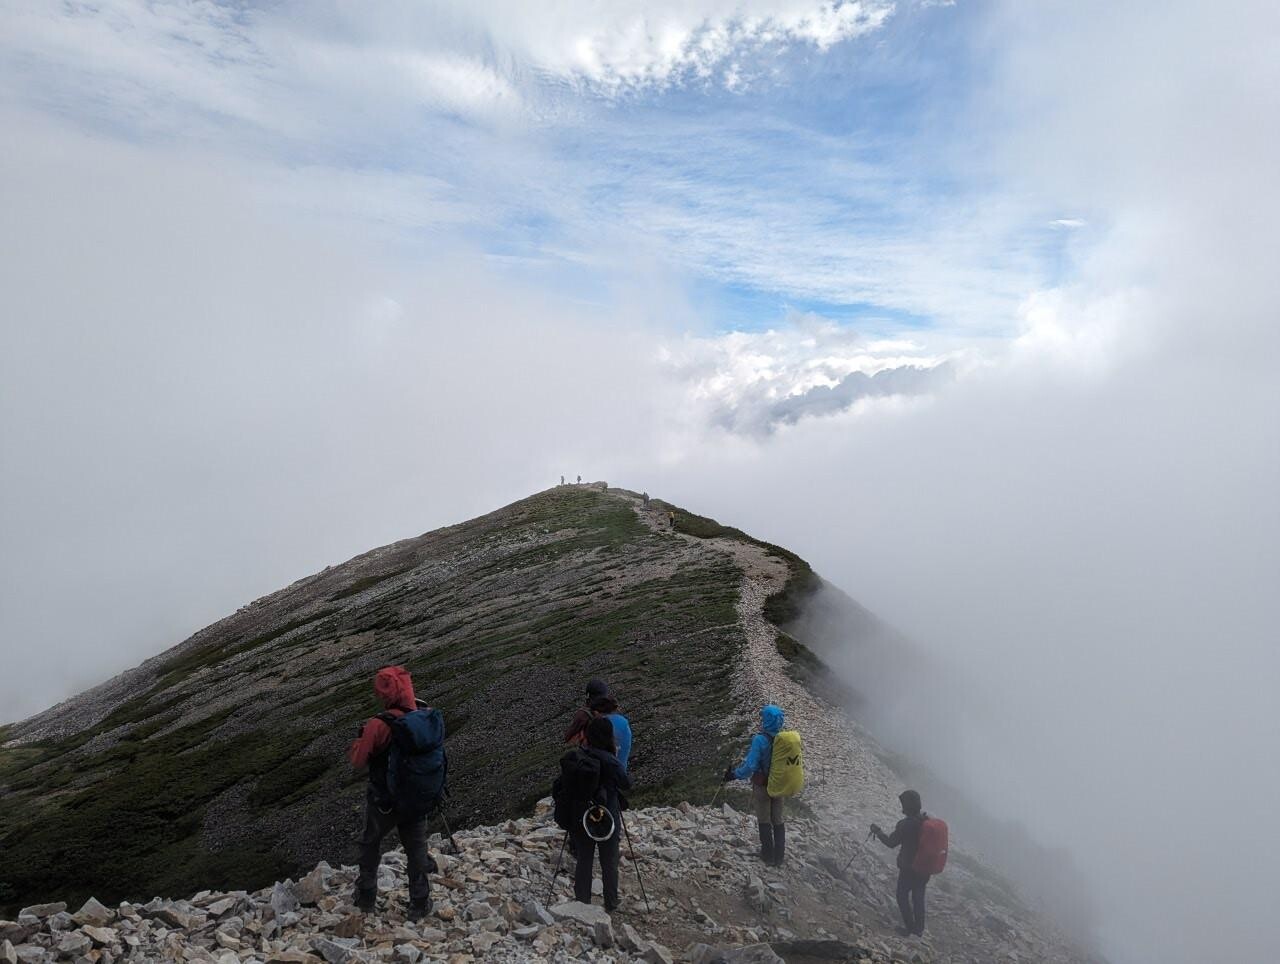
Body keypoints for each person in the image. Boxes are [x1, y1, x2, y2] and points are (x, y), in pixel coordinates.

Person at [347, 666, 435, 919]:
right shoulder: (425, 716)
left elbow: (358, 760)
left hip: (384, 801)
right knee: (416, 848)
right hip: (417, 798)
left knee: (370, 843)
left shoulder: (378, 724)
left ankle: (366, 897)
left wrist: (360, 740)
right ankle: (419, 902)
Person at [573, 717, 632, 910]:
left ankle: (582, 902)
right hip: (608, 814)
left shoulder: (580, 756)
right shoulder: (611, 761)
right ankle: (611, 902)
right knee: (609, 860)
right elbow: (626, 783)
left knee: (584, 858)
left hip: (583, 814)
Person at [723, 704, 787, 865]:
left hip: (763, 785)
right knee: (778, 819)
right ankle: (779, 857)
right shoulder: (784, 738)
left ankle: (767, 855)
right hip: (779, 784)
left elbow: (751, 766)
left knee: (764, 819)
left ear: (766, 719)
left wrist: (734, 775)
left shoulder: (760, 739)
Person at [870, 789, 929, 937]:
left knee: (902, 896)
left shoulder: (905, 824)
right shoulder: (926, 820)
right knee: (918, 897)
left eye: (903, 803)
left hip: (909, 869)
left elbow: (891, 843)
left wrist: (878, 832)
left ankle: (910, 929)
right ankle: (919, 930)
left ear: (907, 805)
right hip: (925, 868)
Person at [563, 678, 610, 746]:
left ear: (588, 696)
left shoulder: (583, 715)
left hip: (591, 753)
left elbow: (568, 737)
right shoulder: (612, 711)